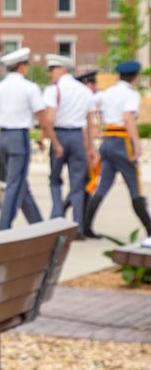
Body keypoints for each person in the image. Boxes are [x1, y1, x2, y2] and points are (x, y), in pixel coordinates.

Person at [0, 48, 62, 230]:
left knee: (20, 185)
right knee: (15, 185)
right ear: (21, 67)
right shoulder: (29, 88)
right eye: (26, 65)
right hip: (19, 138)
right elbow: (44, 120)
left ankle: (38, 227)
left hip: (2, 138)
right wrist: (55, 143)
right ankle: (3, 229)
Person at [82, 61, 151, 238]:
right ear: (135, 77)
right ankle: (150, 229)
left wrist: (96, 126)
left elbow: (90, 107)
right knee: (135, 187)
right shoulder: (130, 94)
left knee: (103, 185)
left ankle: (86, 226)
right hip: (122, 141)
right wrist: (136, 143)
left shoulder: (108, 93)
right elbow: (128, 118)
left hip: (107, 142)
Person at [42, 54, 98, 230]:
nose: (50, 73)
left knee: (55, 180)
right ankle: (78, 225)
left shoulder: (54, 90)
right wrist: (91, 148)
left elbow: (49, 118)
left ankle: (57, 219)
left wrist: (46, 138)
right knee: (77, 184)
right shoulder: (84, 90)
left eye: (53, 69)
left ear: (63, 69)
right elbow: (89, 121)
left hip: (60, 135)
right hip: (78, 138)